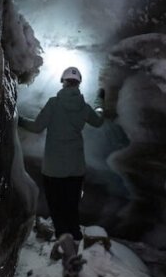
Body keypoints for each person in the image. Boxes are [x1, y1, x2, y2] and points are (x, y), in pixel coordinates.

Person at [18, 66, 103, 260]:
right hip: (76, 169)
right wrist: (100, 100)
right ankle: (72, 247)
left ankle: (69, 254)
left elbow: (37, 127)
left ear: (63, 82)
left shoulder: (54, 103)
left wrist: (17, 118)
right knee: (71, 209)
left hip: (54, 169)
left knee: (57, 211)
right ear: (78, 84)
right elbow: (98, 121)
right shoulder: (83, 107)